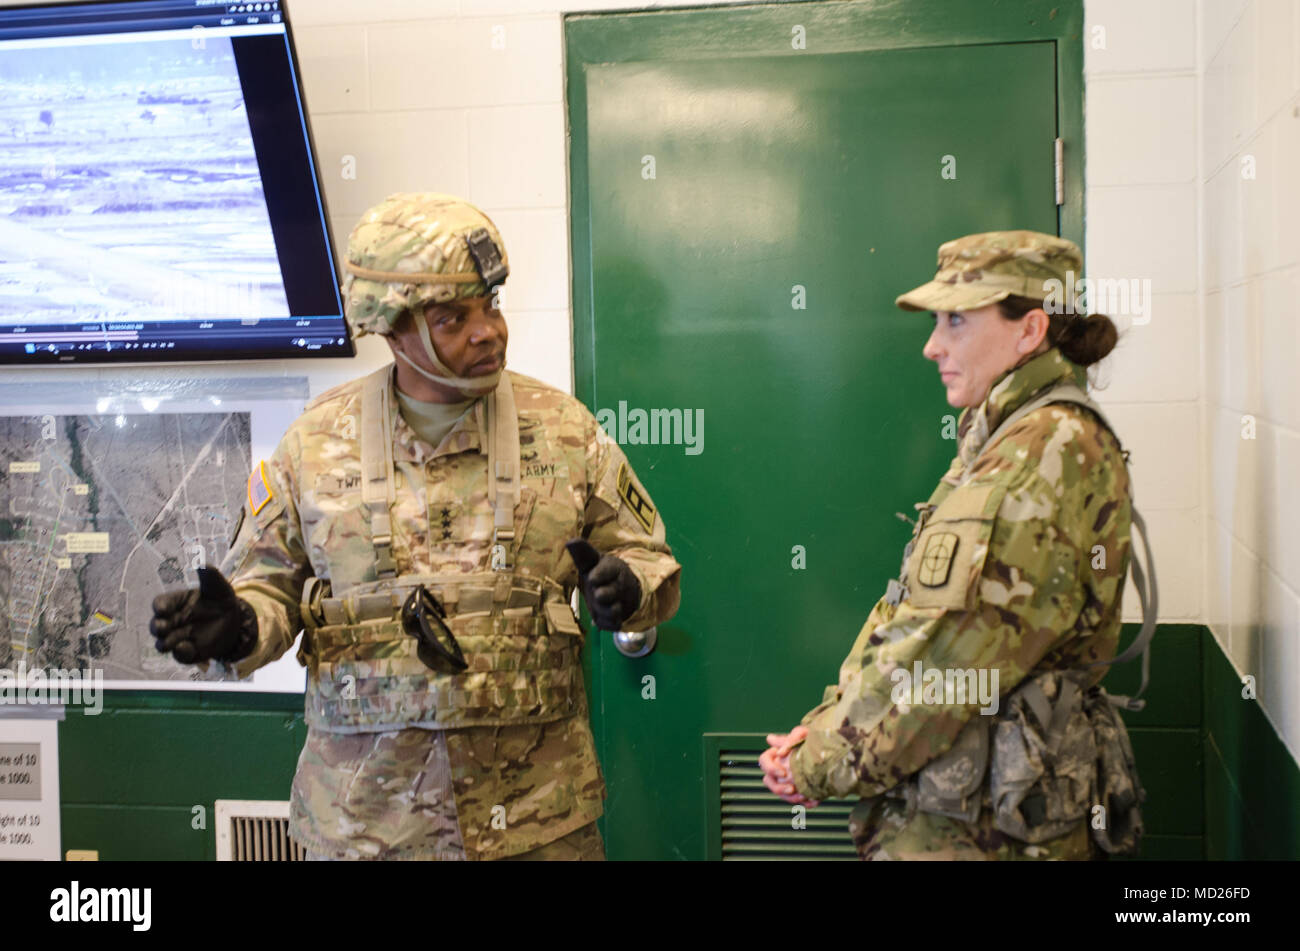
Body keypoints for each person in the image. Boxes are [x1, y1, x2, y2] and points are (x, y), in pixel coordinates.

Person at [150, 192, 681, 860]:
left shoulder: (565, 433)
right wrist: (241, 627)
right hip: (364, 829)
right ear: (392, 325)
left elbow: (645, 554)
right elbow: (267, 586)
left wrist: (629, 590)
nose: (487, 330)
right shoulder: (314, 445)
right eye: (453, 317)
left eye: (491, 304)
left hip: (536, 827)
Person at [759, 230, 1155, 860]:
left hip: (995, 828)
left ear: (1029, 331)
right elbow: (911, 617)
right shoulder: (1006, 436)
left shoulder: (1042, 452)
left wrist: (820, 762)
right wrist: (827, 723)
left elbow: (951, 667)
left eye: (955, 321)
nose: (932, 345)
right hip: (971, 808)